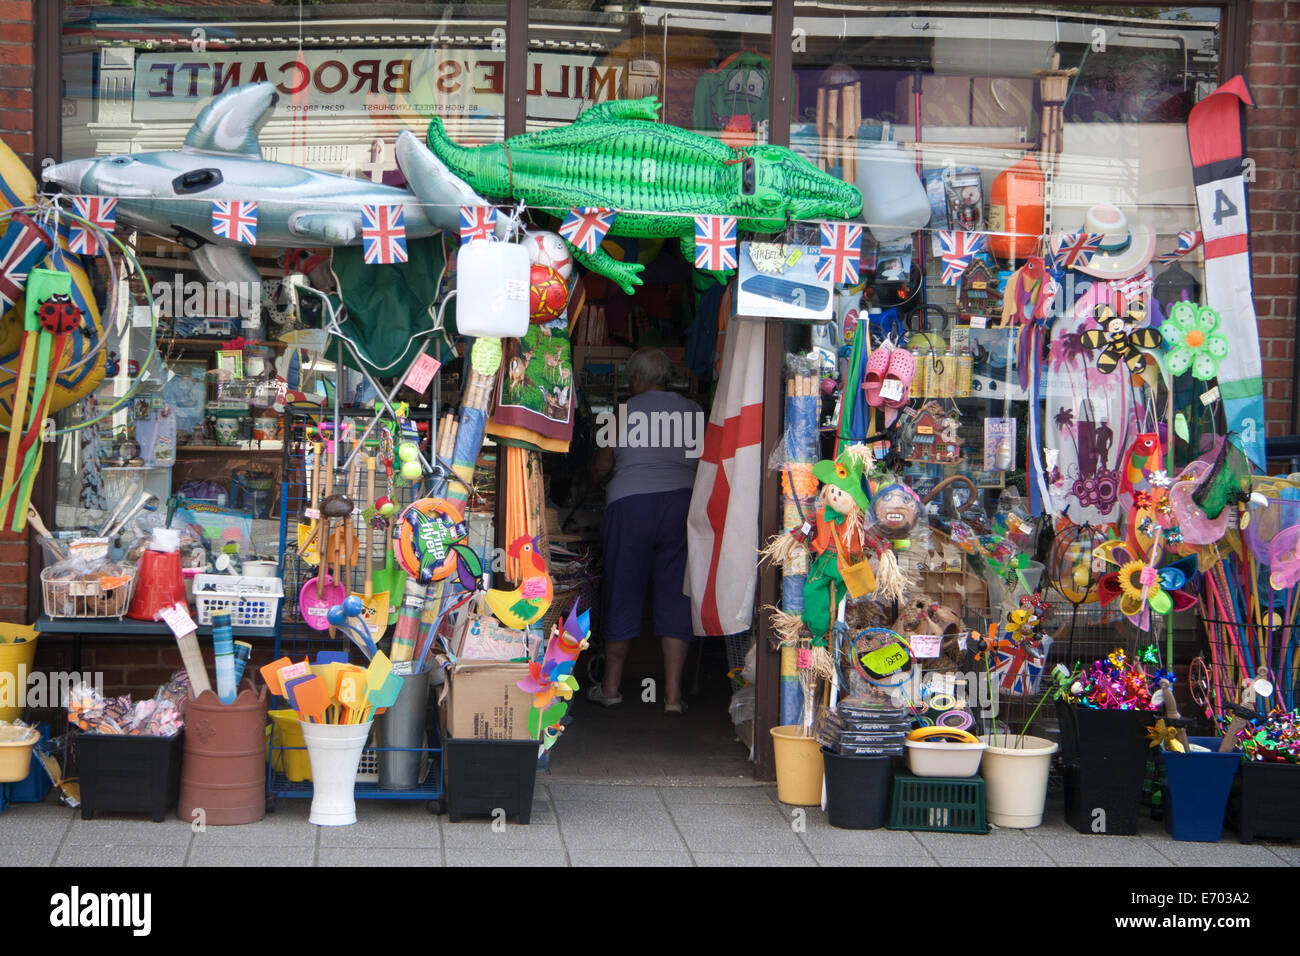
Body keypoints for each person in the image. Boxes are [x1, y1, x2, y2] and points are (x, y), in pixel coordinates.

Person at [588, 348, 702, 714]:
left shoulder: (619, 414)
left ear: (635, 379)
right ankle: (670, 697)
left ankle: (610, 687)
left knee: (623, 587)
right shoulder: (694, 412)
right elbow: (705, 463)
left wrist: (589, 479)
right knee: (677, 592)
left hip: (630, 505)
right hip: (681, 506)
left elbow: (602, 467)